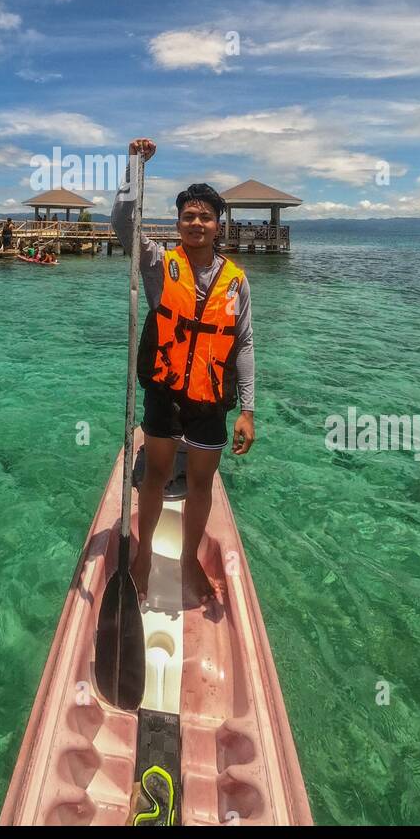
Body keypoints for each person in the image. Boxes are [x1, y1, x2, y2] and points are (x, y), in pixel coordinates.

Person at [112, 138, 255, 606]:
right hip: (166, 393)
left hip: (211, 398)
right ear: (178, 224)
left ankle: (190, 556)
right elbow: (121, 225)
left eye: (205, 217)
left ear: (218, 226)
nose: (197, 223)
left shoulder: (235, 280)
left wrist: (248, 410)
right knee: (153, 476)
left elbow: (245, 342)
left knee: (200, 483)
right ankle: (144, 555)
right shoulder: (158, 264)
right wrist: (135, 169)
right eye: (188, 216)